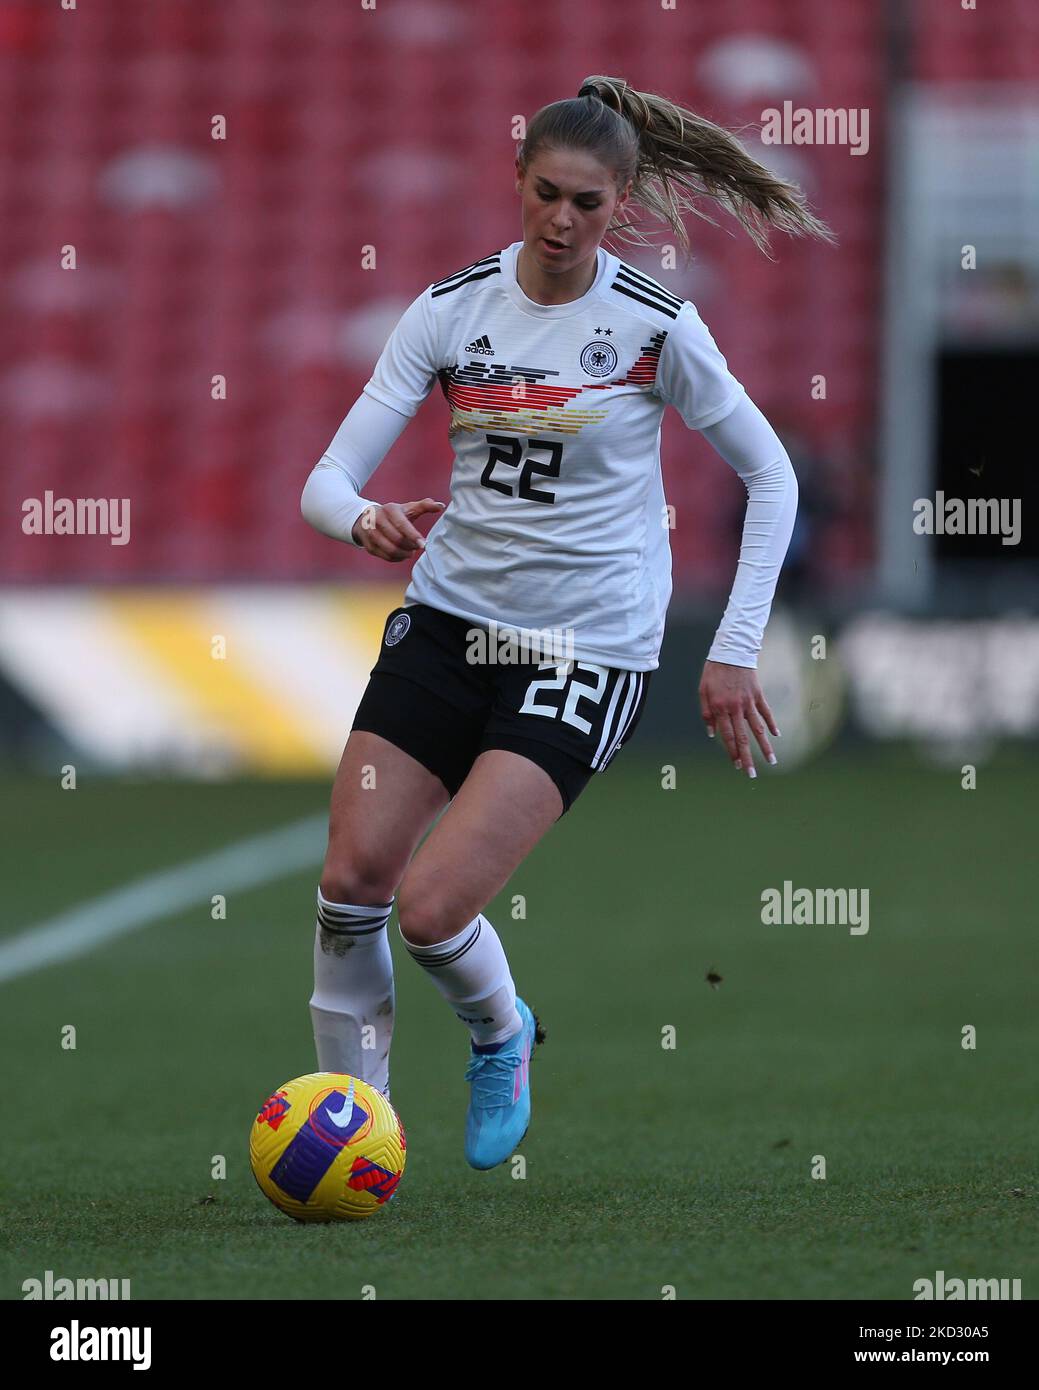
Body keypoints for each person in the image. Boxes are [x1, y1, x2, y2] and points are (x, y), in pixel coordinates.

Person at [300, 76, 834, 1171]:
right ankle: (358, 1129)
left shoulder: (652, 324)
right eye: (544, 193)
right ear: (517, 179)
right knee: (351, 883)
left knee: (434, 907)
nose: (559, 220)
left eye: (586, 203)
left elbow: (770, 475)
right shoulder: (449, 310)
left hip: (584, 647)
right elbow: (327, 479)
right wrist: (365, 519)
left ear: (621, 201)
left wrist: (732, 647)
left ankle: (502, 1033)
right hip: (449, 622)